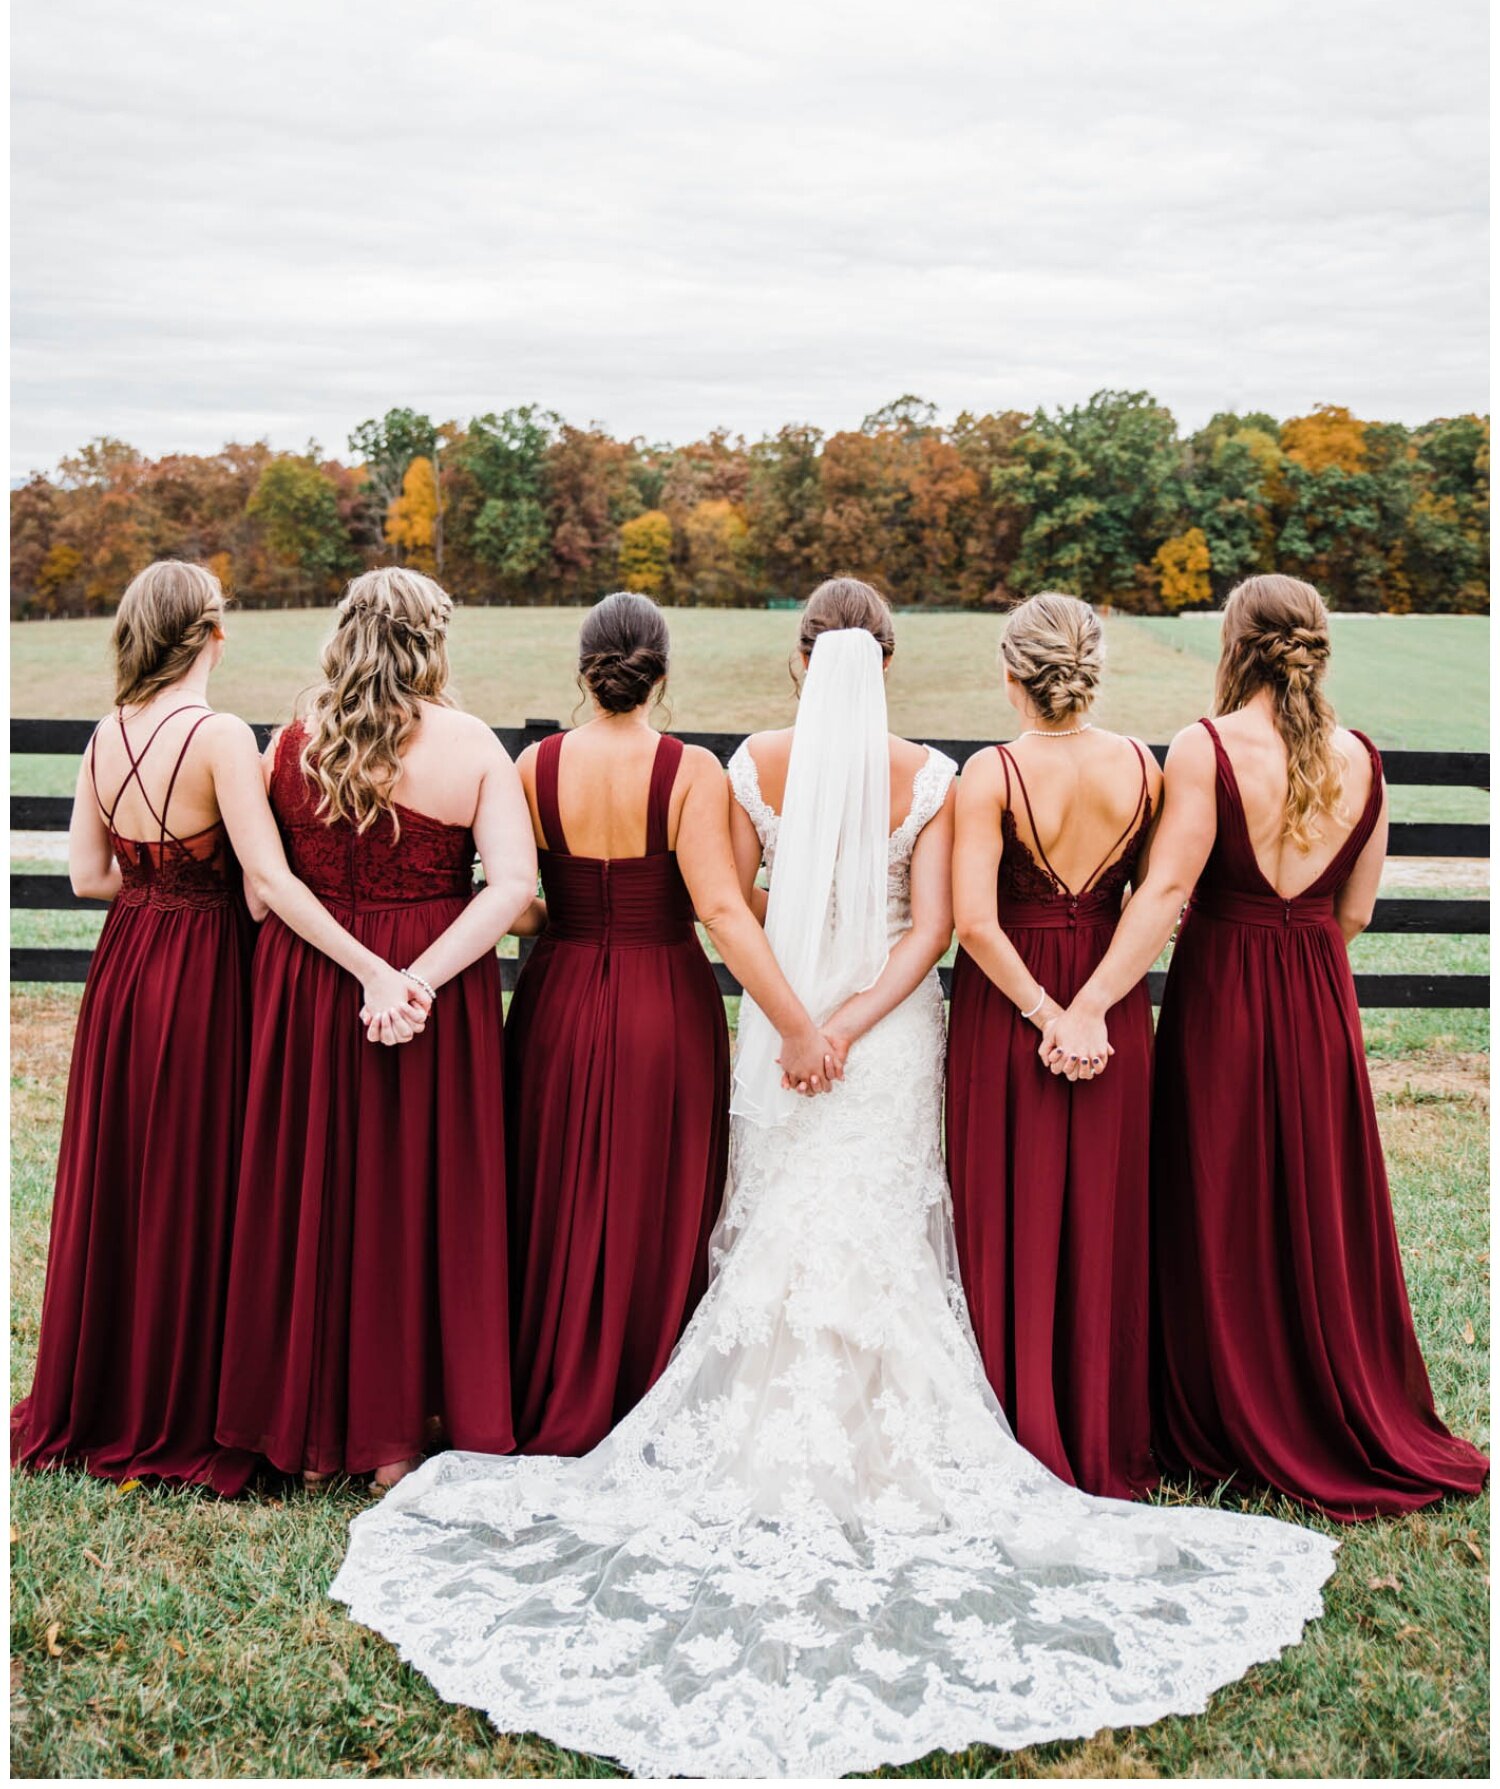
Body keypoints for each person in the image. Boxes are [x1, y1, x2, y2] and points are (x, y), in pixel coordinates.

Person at [330, 577, 1335, 1779]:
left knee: (777, 1222)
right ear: (891, 660)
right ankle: (875, 1444)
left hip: (779, 1020)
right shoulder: (941, 775)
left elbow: (728, 906)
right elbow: (937, 931)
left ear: (803, 662)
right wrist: (856, 1020)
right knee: (884, 1228)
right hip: (889, 1028)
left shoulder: (745, 761)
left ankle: (766, 1433)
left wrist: (798, 1018)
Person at [1045, 573, 1489, 1519]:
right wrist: (1298, 955)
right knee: (1311, 1189)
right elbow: (1356, 910)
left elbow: (1164, 895)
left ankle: (1221, 1405)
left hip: (1223, 991)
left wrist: (1086, 1003)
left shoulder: (1205, 747)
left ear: (1234, 642)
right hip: (1317, 993)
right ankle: (1323, 1388)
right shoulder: (1363, 756)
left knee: (1217, 1186)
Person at [13, 561, 423, 1494]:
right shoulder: (220, 736)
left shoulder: (103, 734)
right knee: (198, 1176)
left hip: (125, 965)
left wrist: (160, 881)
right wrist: (371, 966)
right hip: (204, 969)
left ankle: (107, 1390)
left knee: (127, 1171)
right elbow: (269, 884)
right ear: (212, 633)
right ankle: (190, 1404)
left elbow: (89, 876)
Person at [216, 569, 538, 1492]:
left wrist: (368, 971)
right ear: (434, 641)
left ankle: (304, 1428)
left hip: (313, 976)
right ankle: (399, 1438)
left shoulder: (292, 743)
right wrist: (417, 983)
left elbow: (259, 890)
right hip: (431, 981)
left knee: (310, 1182)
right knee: (415, 1193)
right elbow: (512, 889)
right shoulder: (474, 745)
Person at [507, 591, 827, 1453]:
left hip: (559, 998)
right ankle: (648, 1386)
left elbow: (516, 899)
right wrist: (796, 1023)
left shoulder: (532, 766)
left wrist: (535, 916)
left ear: (586, 669)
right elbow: (723, 909)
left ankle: (547, 1378)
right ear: (660, 671)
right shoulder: (689, 770)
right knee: (661, 1188)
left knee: (555, 1189)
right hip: (662, 1001)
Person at [946, 592, 1160, 1498]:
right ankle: (1102, 1422)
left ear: (1011, 674)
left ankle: (1008, 1416)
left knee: (1005, 1206)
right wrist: (1089, 1010)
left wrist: (1046, 1013)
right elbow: (1157, 900)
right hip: (1110, 1001)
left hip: (1014, 1005)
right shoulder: (1147, 767)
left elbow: (974, 923)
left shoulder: (989, 774)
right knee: (1105, 1210)